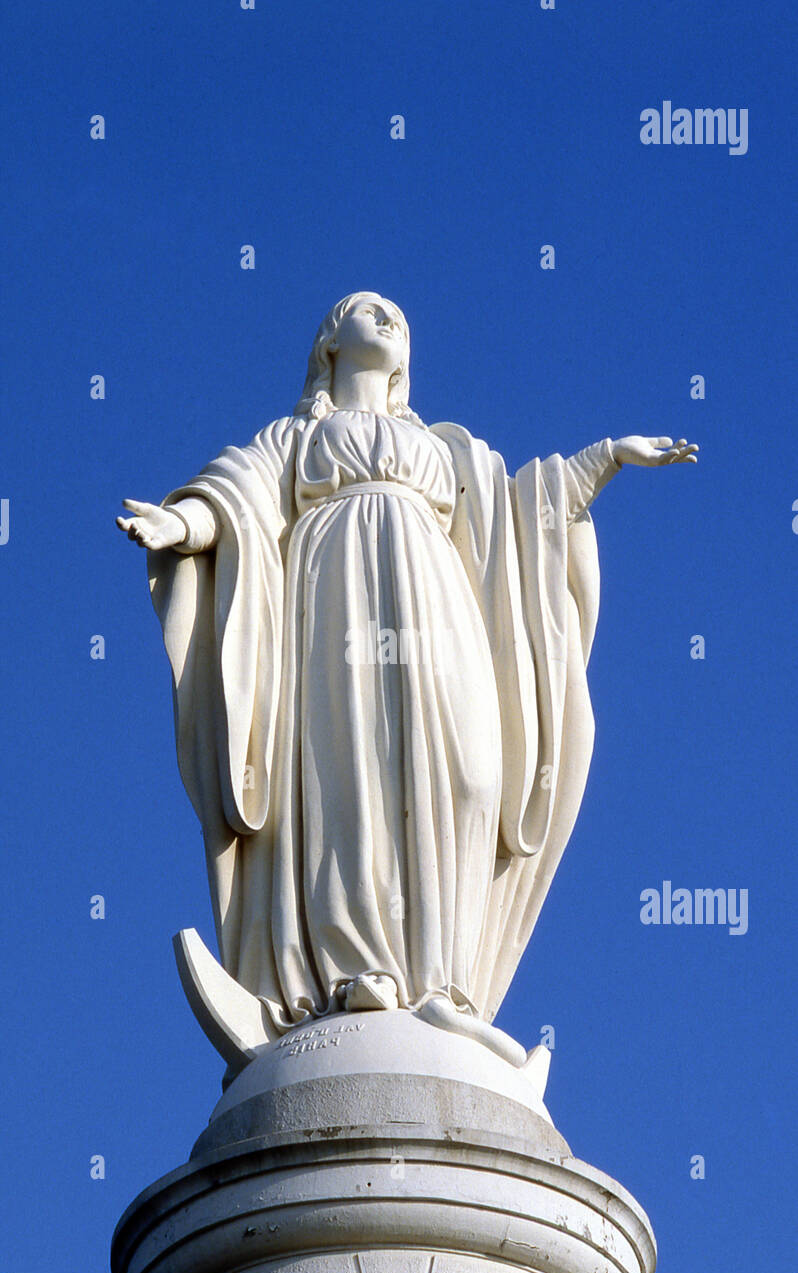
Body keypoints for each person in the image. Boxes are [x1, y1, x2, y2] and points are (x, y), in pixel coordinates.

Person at [117, 292, 696, 1063]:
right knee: (349, 775)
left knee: (469, 772)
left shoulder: (444, 449)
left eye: (398, 315)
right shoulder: (297, 436)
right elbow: (239, 496)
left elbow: (517, 521)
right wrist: (182, 525)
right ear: (330, 339)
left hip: (433, 593)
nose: (388, 317)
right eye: (367, 308)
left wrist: (603, 460)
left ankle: (444, 984)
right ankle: (355, 974)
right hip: (332, 596)